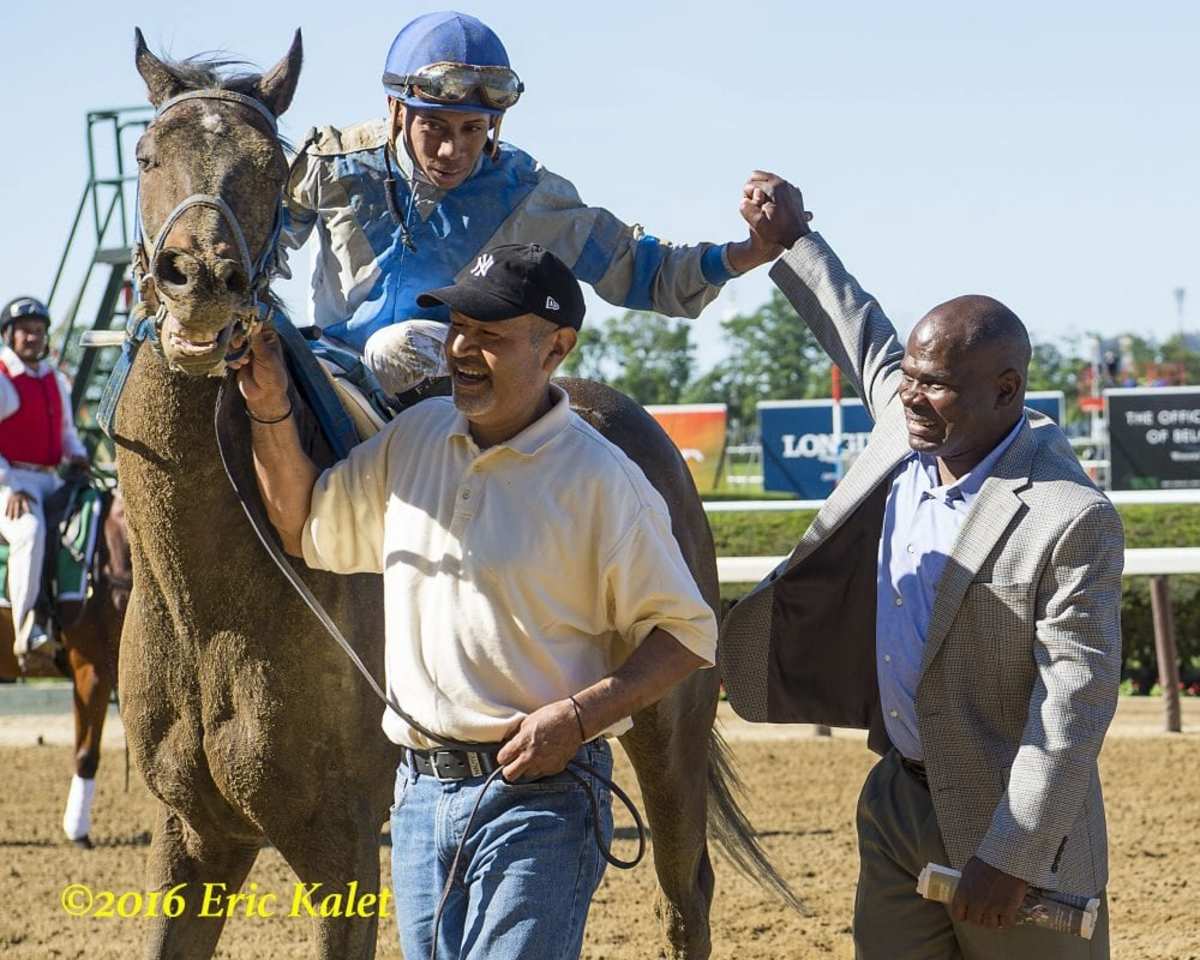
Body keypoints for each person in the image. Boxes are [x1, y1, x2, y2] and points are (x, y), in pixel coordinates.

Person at [232, 243, 716, 958]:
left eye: (489, 336)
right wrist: (269, 407)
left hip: (541, 800)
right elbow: (305, 527)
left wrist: (580, 717)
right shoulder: (415, 438)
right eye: (458, 328)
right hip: (421, 802)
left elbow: (689, 634)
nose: (461, 349)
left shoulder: (603, 481)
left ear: (555, 348)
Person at [719, 173, 1123, 960]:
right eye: (907, 376)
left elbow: (1073, 709)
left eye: (934, 385)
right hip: (896, 803)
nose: (910, 396)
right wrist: (798, 239)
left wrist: (1014, 854)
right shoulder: (906, 419)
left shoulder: (1070, 516)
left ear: (1006, 391)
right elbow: (856, 326)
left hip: (1010, 828)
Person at [282, 10, 781, 398]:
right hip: (332, 372)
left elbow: (644, 269)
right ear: (396, 110)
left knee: (396, 348)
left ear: (494, 125)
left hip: (459, 384)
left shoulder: (529, 192)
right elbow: (253, 245)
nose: (453, 151)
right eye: (434, 127)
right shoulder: (330, 163)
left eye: (472, 129)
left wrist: (747, 252)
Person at [0, 297, 90, 666]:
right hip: (11, 479)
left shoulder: (55, 378)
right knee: (30, 532)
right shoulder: (3, 378)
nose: (33, 338)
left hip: (50, 477)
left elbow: (67, 434)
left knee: (100, 514)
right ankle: (28, 631)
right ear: (9, 335)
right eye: (25, 332)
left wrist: (79, 454)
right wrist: (9, 485)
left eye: (38, 332)